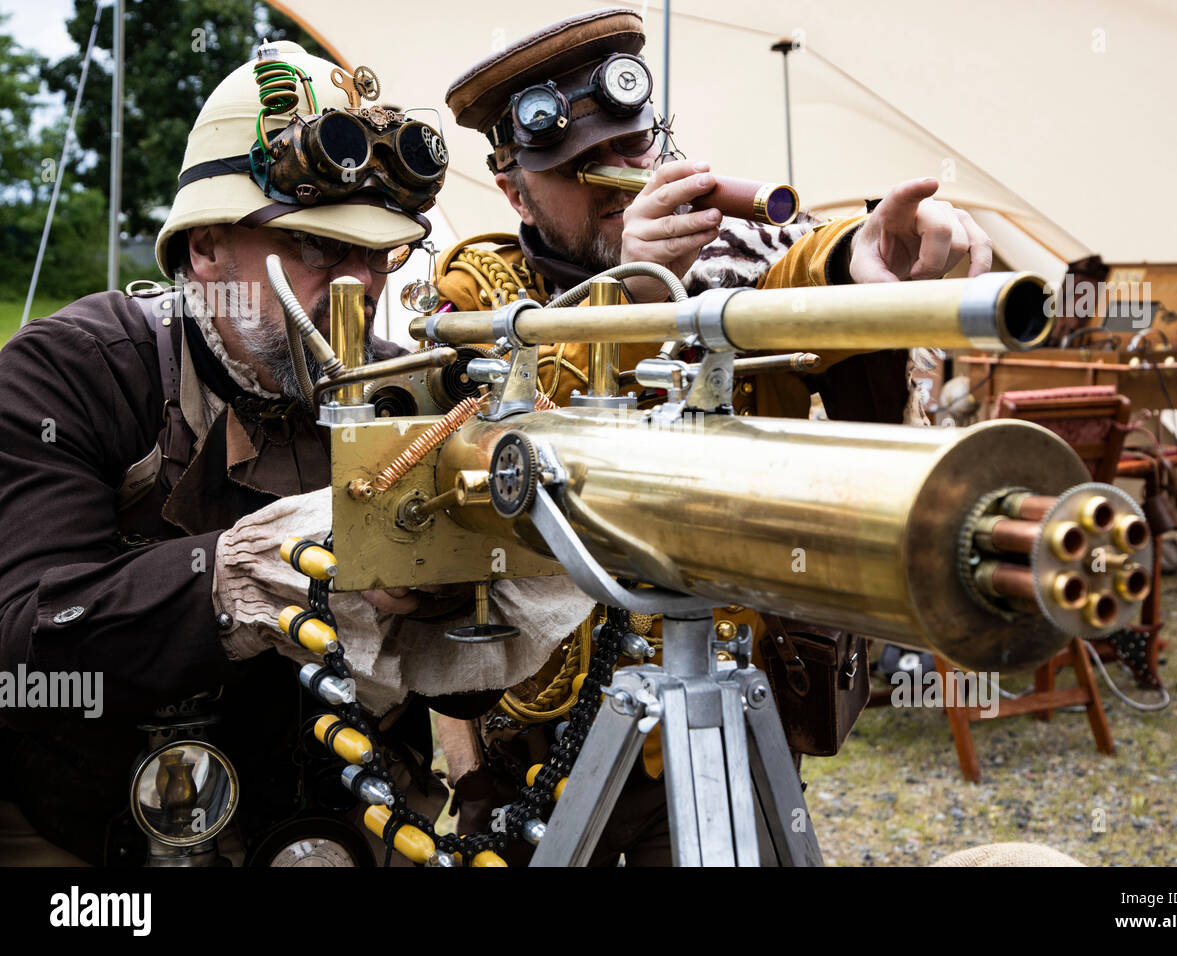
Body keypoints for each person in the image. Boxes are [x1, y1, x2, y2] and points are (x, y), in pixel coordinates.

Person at [430, 7, 993, 865]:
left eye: (634, 150)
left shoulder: (736, 254)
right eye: (582, 169)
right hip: (543, 733)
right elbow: (496, 471)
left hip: (725, 696)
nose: (622, 180)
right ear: (513, 191)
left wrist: (860, 256)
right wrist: (628, 302)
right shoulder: (477, 298)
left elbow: (796, 281)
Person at [0, 40, 569, 866]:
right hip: (100, 830)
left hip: (337, 822)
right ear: (205, 250)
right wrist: (232, 579)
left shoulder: (412, 391)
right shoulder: (77, 372)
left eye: (378, 254)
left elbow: (472, 681)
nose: (361, 286)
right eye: (317, 249)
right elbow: (20, 643)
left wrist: (458, 586)